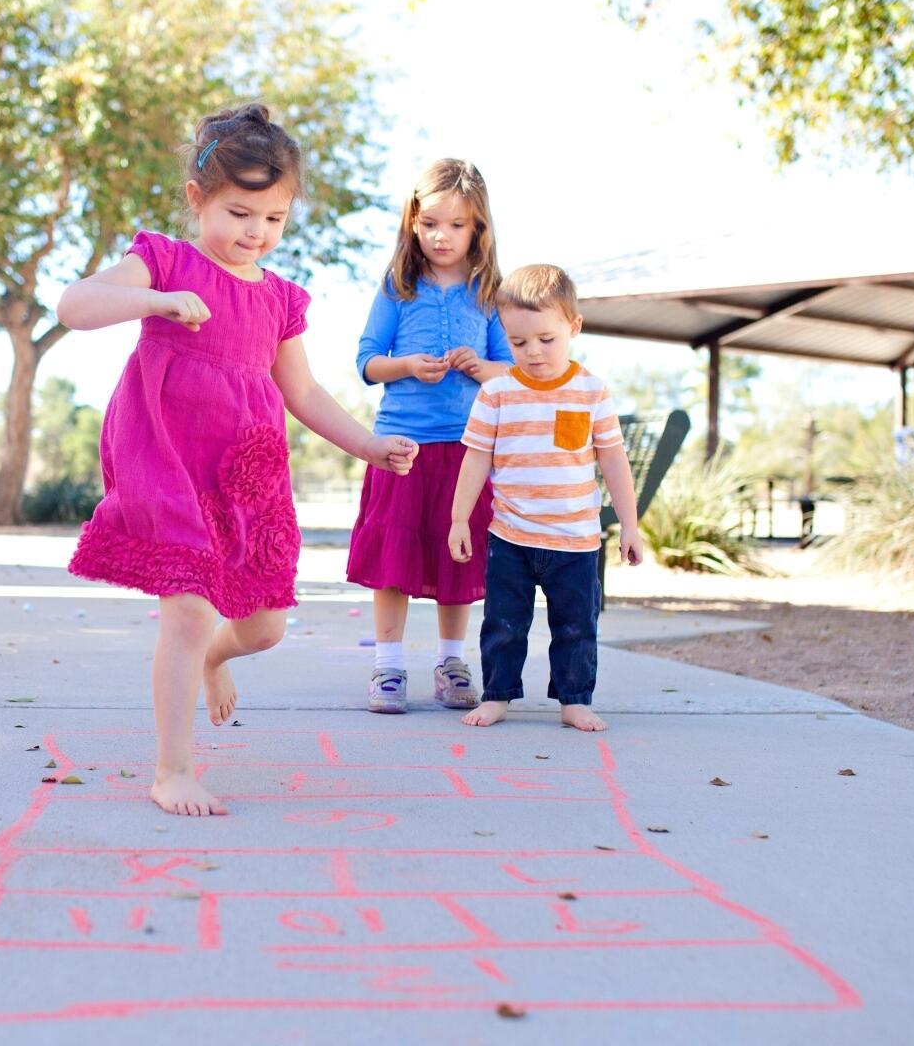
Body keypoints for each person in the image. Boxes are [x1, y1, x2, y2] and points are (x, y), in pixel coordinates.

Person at [58, 103, 419, 817]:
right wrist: (157, 301)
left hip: (246, 470)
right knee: (189, 610)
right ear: (198, 199)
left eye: (274, 218)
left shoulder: (280, 299)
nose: (256, 232)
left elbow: (303, 392)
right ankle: (172, 771)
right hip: (167, 457)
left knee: (263, 628)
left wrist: (369, 445)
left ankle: (215, 658)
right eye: (239, 213)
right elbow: (76, 305)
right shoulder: (166, 261)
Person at [447, 264, 647, 732]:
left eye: (546, 339)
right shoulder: (497, 393)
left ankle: (574, 700)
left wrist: (630, 525)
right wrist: (459, 520)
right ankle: (498, 695)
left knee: (576, 625)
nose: (533, 351)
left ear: (573, 327)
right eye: (518, 342)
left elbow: (613, 460)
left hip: (575, 540)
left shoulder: (591, 392)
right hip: (511, 536)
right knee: (503, 624)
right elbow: (475, 459)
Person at [349, 159, 511, 715]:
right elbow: (367, 361)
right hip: (402, 446)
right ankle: (388, 666)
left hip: (467, 450)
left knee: (456, 557)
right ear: (413, 224)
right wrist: (408, 365)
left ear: (477, 229)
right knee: (394, 556)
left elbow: (512, 369)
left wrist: (480, 367)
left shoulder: (488, 293)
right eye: (431, 224)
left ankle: (451, 661)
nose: (442, 236)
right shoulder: (398, 287)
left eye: (456, 225)